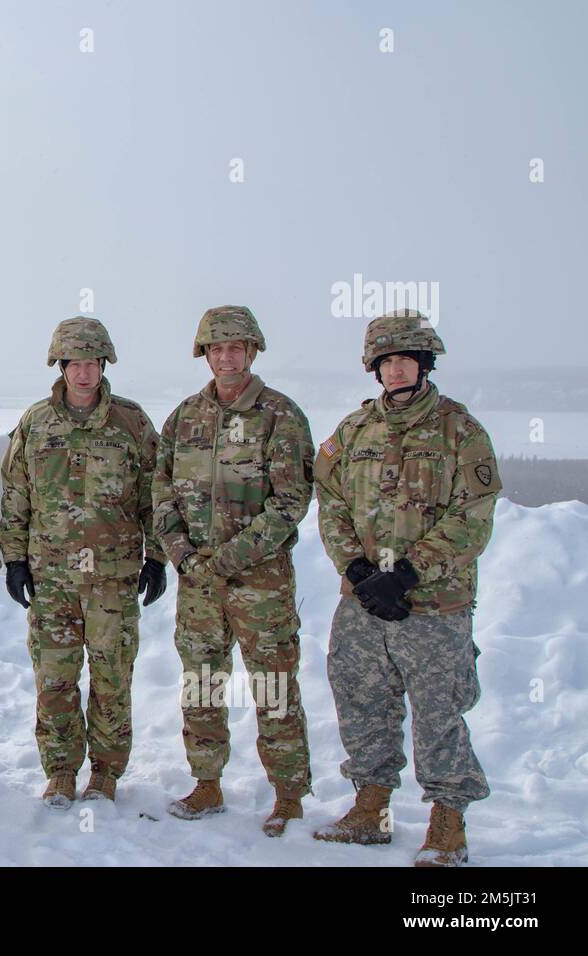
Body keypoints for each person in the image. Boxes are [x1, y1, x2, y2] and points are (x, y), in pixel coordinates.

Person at [313, 309, 500, 866]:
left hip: (434, 602)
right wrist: (357, 570)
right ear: (375, 369)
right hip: (365, 600)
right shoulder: (353, 431)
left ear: (425, 364)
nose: (396, 371)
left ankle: (448, 822)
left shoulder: (460, 430)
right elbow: (332, 503)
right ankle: (370, 806)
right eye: (387, 361)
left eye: (406, 361)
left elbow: (474, 514)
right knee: (361, 697)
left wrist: (412, 571)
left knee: (439, 708)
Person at [151, 306, 314, 835]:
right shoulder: (185, 417)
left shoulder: (279, 416)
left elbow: (290, 502)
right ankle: (206, 783)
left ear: (252, 351)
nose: (226, 357)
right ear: (205, 353)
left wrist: (226, 559)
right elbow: (161, 491)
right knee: (201, 684)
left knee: (272, 687)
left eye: (236, 348)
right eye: (217, 348)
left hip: (259, 584)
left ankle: (288, 794)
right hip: (198, 585)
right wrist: (182, 554)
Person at [0, 316, 167, 809]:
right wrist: (13, 560)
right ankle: (60, 771)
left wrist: (156, 558)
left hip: (112, 580)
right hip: (51, 579)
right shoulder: (35, 423)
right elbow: (16, 495)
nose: (84, 373)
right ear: (61, 366)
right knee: (55, 680)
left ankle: (106, 773)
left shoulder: (131, 423)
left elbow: (155, 497)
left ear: (103, 364)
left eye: (92, 363)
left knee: (112, 679)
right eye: (75, 363)